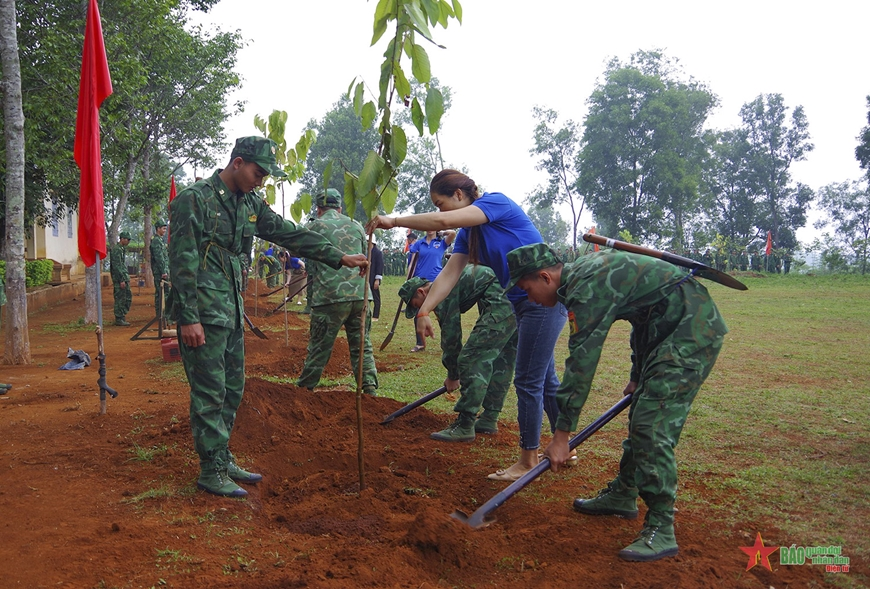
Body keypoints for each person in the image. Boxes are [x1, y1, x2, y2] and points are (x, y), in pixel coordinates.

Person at [168, 137, 368, 498]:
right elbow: (181, 260)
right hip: (202, 309)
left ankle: (222, 455)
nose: (261, 182)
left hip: (230, 308)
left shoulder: (250, 205)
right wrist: (187, 317)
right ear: (237, 162)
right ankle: (209, 469)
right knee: (209, 390)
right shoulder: (194, 199)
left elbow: (289, 233)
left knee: (233, 387)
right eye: (257, 173)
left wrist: (338, 256)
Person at [504, 242, 728, 562]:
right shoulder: (582, 276)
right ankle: (624, 494)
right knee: (642, 412)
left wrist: (562, 435)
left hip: (690, 328)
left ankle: (662, 527)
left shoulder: (586, 287)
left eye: (527, 289)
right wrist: (638, 372)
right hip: (663, 327)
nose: (529, 298)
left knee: (652, 422)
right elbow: (640, 312)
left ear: (545, 277)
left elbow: (582, 361)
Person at [366, 169, 567, 481]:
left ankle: (527, 460)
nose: (440, 211)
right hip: (520, 303)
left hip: (542, 297)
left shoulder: (497, 204)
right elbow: (448, 275)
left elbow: (444, 222)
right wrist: (424, 312)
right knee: (547, 379)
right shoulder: (468, 235)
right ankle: (567, 444)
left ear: (459, 195)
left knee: (529, 381)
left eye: (440, 203)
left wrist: (394, 221)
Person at [398, 265, 517, 441]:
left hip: (502, 300)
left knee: (472, 358)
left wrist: (454, 375)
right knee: (501, 360)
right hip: (516, 296)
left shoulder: (440, 292)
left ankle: (465, 424)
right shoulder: (443, 285)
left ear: (422, 292)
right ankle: (489, 419)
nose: (419, 312)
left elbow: (451, 338)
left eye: (416, 306)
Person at [297, 189, 378, 395]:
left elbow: (302, 253)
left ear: (319, 208)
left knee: (319, 348)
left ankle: (304, 391)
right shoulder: (357, 225)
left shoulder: (314, 226)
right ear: (340, 207)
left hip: (330, 297)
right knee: (362, 346)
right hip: (361, 295)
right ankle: (369, 392)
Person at [408, 229, 455, 351]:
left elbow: (453, 233)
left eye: (433, 226)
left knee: (442, 313)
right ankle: (420, 343)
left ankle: (448, 344)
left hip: (437, 282)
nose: (430, 228)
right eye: (428, 226)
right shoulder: (419, 243)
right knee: (419, 313)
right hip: (420, 281)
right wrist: (408, 280)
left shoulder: (441, 242)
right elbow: (412, 261)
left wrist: (442, 233)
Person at [110, 231, 132, 326]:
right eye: (127, 239)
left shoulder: (121, 249)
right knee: (120, 297)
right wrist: (121, 279)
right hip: (119, 278)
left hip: (123, 277)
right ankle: (119, 318)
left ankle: (122, 315)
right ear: (122, 239)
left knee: (127, 296)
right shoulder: (117, 250)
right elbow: (117, 266)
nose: (128, 242)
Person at [150, 220, 171, 323]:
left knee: (164, 293)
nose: (165, 230)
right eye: (163, 228)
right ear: (158, 229)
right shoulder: (156, 241)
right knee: (162, 293)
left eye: (165, 228)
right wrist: (163, 271)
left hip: (163, 271)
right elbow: (159, 258)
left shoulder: (160, 240)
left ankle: (163, 316)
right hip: (160, 273)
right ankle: (161, 316)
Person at [368, 240, 384, 320]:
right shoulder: (365, 251)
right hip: (365, 278)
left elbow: (379, 266)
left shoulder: (378, 253)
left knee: (376, 298)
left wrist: (377, 279)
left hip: (374, 279)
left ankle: (375, 316)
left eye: (368, 241)